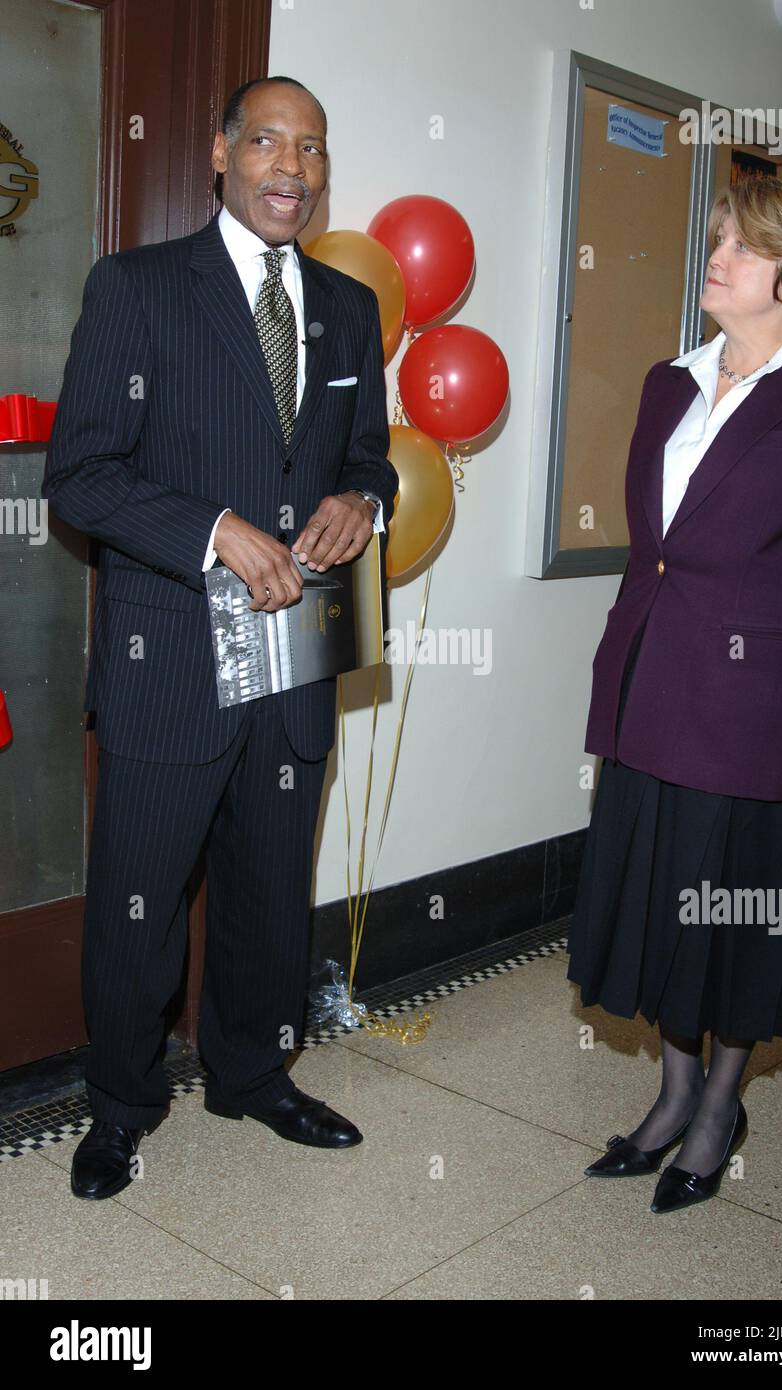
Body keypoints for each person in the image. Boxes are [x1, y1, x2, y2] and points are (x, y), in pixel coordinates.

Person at [42, 75, 399, 1200]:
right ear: (221, 152)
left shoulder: (349, 308)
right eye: (268, 143)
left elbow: (370, 454)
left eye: (312, 148)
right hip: (170, 665)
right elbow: (80, 475)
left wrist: (366, 503)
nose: (291, 166)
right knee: (138, 907)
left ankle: (254, 1072)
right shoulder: (138, 287)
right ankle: (121, 1106)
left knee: (266, 891)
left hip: (297, 663)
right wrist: (209, 529)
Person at [566, 177, 782, 1214]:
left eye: (743, 245)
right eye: (721, 238)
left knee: (737, 922)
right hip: (654, 691)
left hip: (761, 719)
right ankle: (674, 1092)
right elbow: (656, 549)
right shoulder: (671, 382)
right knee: (663, 908)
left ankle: (717, 1112)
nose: (719, 254)